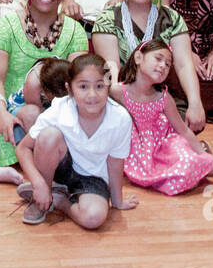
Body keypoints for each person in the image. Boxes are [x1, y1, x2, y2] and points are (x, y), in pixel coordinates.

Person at [0, 0, 89, 168]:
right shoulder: (6, 25)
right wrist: (1, 114)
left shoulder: (75, 30)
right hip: (7, 105)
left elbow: (78, 82)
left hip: (56, 109)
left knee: (45, 120)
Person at [116, 40, 213, 195]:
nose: (162, 66)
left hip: (165, 146)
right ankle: (209, 162)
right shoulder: (118, 92)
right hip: (140, 153)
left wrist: (201, 154)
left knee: (190, 162)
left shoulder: (164, 98)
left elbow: (184, 131)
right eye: (158, 59)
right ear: (138, 58)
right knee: (177, 179)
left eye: (167, 64)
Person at [15, 54, 138, 228]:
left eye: (100, 86)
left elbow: (115, 163)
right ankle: (45, 195)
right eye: (83, 87)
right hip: (62, 168)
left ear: (108, 86)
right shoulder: (59, 108)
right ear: (70, 89)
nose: (92, 94)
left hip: (92, 178)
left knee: (93, 218)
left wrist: (117, 201)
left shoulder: (120, 118)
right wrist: (39, 183)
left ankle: (58, 201)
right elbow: (23, 149)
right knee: (49, 136)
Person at [91, 0, 204, 131]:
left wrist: (195, 102)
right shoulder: (108, 18)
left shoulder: (171, 18)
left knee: (181, 120)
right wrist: (117, 96)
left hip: (160, 96)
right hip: (122, 95)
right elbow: (110, 63)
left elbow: (184, 64)